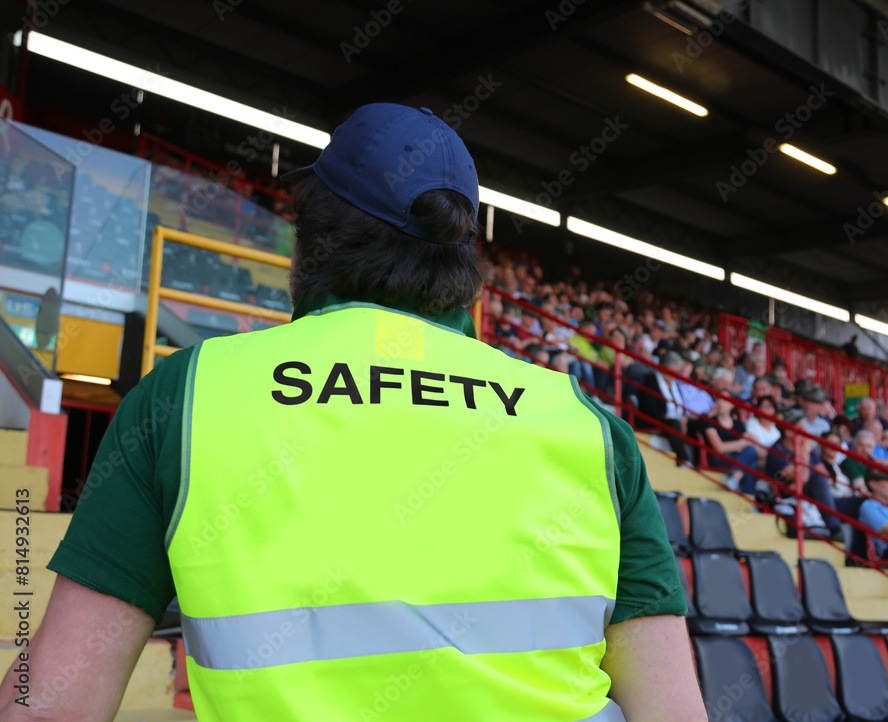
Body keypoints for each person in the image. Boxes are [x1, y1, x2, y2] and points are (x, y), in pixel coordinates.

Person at [0, 104, 706, 722]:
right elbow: (671, 711)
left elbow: (53, 703)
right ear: (463, 267)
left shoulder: (187, 395)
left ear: (306, 245)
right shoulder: (586, 424)